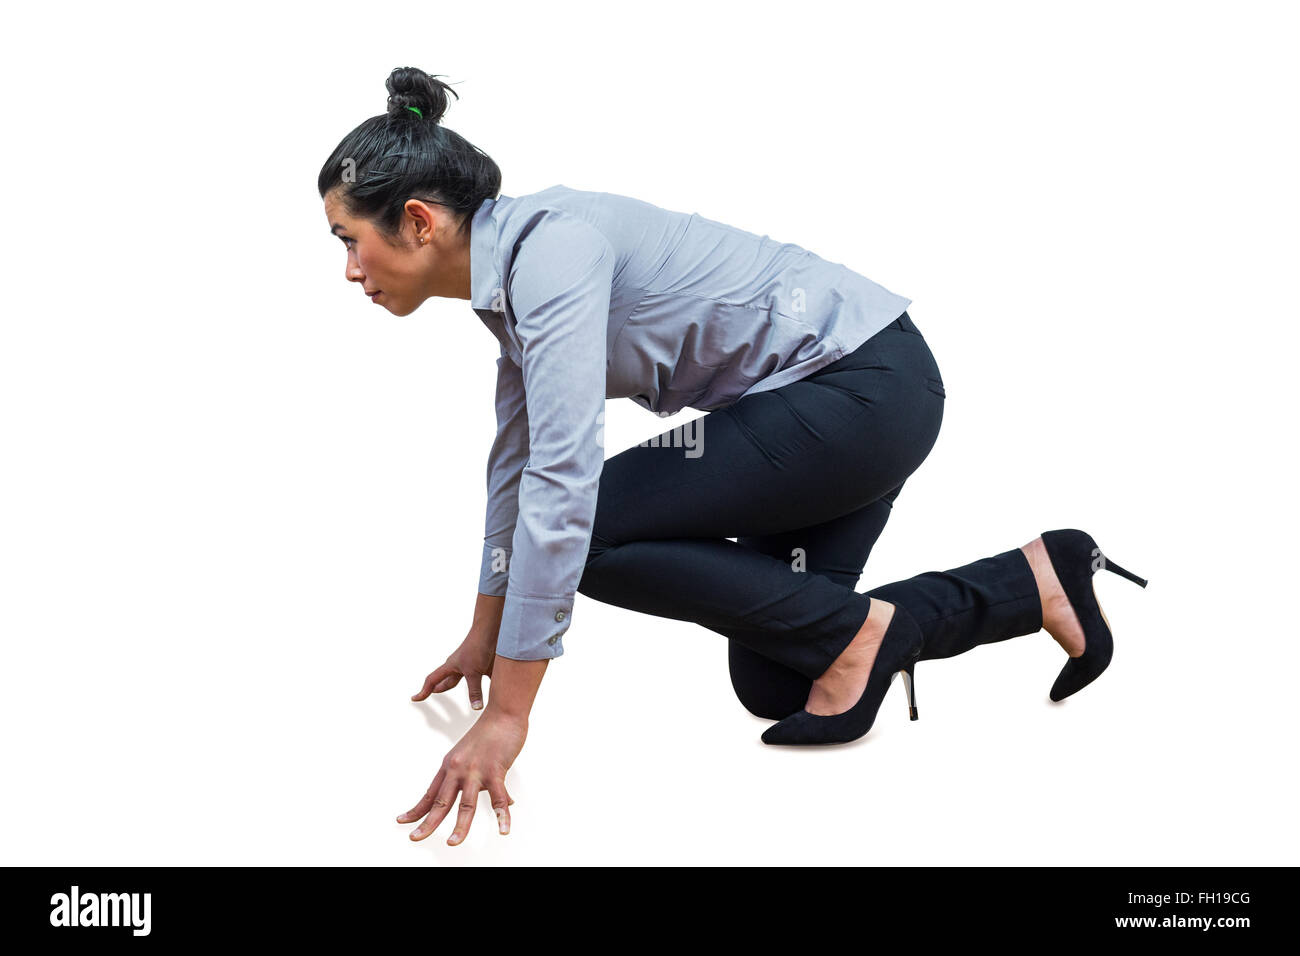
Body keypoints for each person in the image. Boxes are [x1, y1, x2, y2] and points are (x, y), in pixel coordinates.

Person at [318, 67, 1149, 846]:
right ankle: (1033, 581)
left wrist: (508, 712)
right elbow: (514, 464)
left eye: (349, 239)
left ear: (418, 222)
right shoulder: (513, 289)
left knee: (587, 528)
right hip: (844, 405)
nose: (351, 271)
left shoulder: (551, 255)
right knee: (780, 680)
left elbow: (562, 487)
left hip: (862, 390)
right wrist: (484, 631)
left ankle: (867, 630)